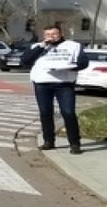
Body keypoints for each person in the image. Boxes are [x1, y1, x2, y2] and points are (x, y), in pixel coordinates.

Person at [21, 25, 89, 154]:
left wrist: (70, 67)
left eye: (54, 34)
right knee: (45, 112)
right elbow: (25, 60)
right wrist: (42, 46)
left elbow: (83, 62)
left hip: (64, 84)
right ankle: (49, 141)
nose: (51, 37)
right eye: (48, 35)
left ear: (61, 34)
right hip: (42, 84)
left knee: (68, 112)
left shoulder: (73, 46)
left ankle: (75, 143)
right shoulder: (37, 46)